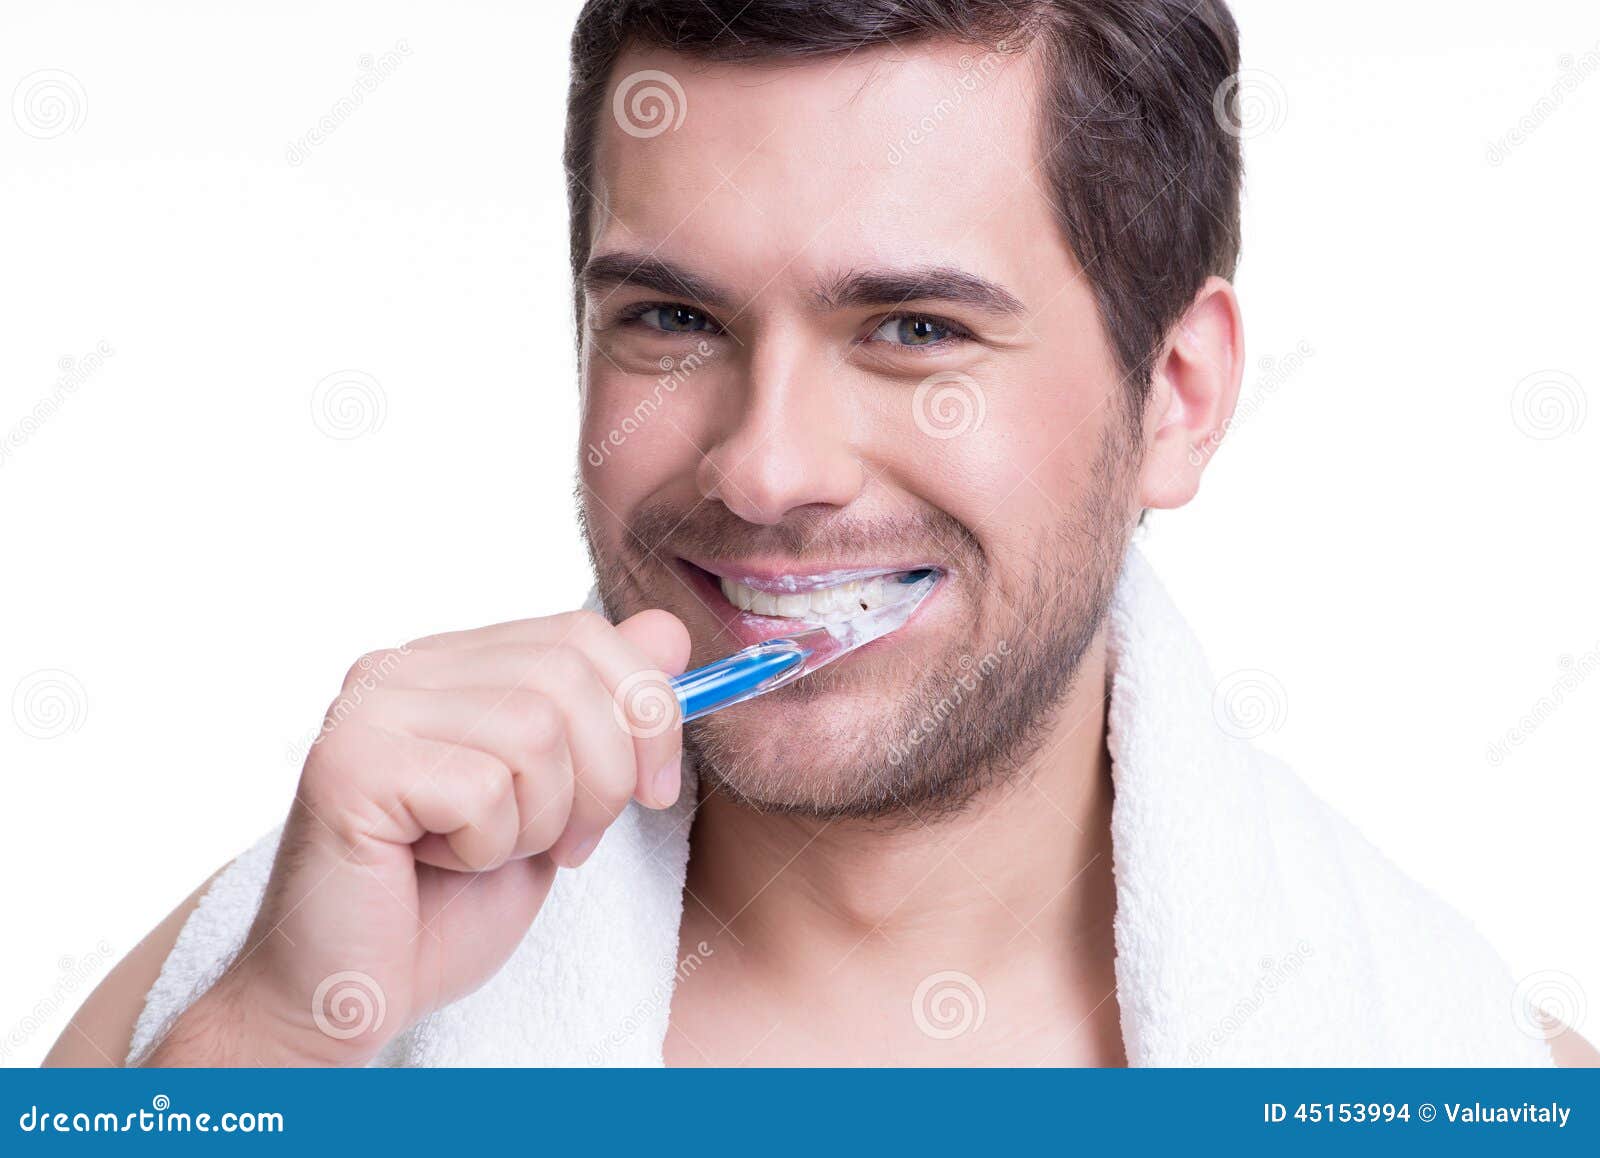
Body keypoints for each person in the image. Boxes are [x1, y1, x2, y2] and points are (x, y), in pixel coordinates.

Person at [49, 0, 1595, 1067]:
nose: (768, 465)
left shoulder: (1455, 1069)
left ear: (1176, 397)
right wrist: (291, 1026)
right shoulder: (241, 1014)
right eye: (670, 317)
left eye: (913, 328)